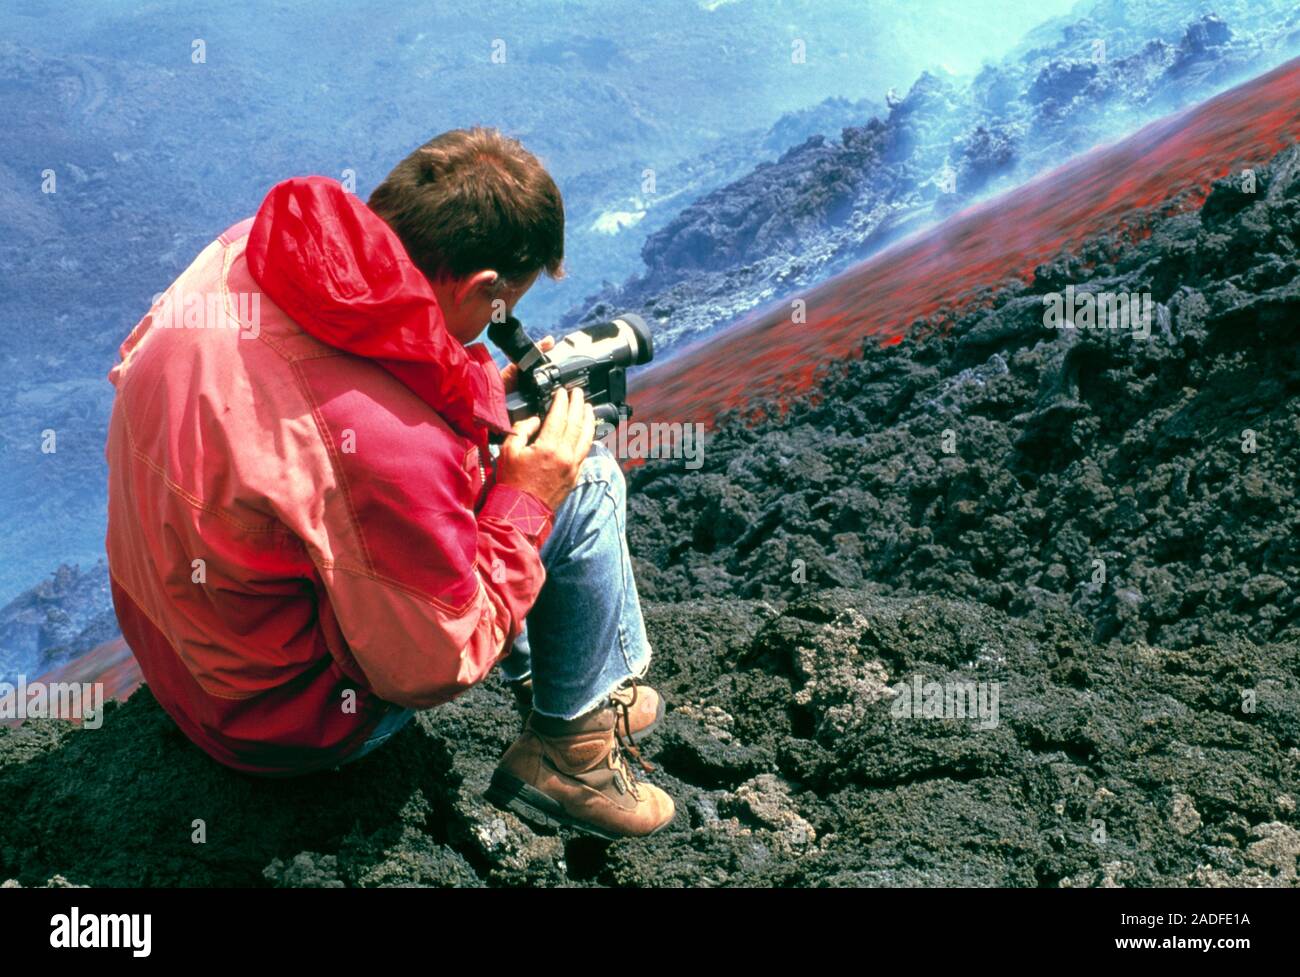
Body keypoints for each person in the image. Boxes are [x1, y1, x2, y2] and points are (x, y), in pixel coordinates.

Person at [103, 127, 675, 839]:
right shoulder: (384, 446)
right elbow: (434, 665)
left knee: (502, 471)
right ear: (482, 289)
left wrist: (474, 410)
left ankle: (553, 674)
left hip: (178, 654)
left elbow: (297, 435)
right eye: (504, 309)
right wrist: (528, 493)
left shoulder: (247, 249)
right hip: (278, 727)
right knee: (579, 476)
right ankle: (571, 756)